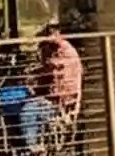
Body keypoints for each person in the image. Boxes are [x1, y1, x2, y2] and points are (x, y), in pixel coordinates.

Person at [18, 24, 82, 153]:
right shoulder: (57, 53)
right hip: (56, 99)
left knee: (28, 111)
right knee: (24, 102)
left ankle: (34, 149)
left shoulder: (66, 52)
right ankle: (30, 144)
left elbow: (55, 70)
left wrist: (36, 71)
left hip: (61, 103)